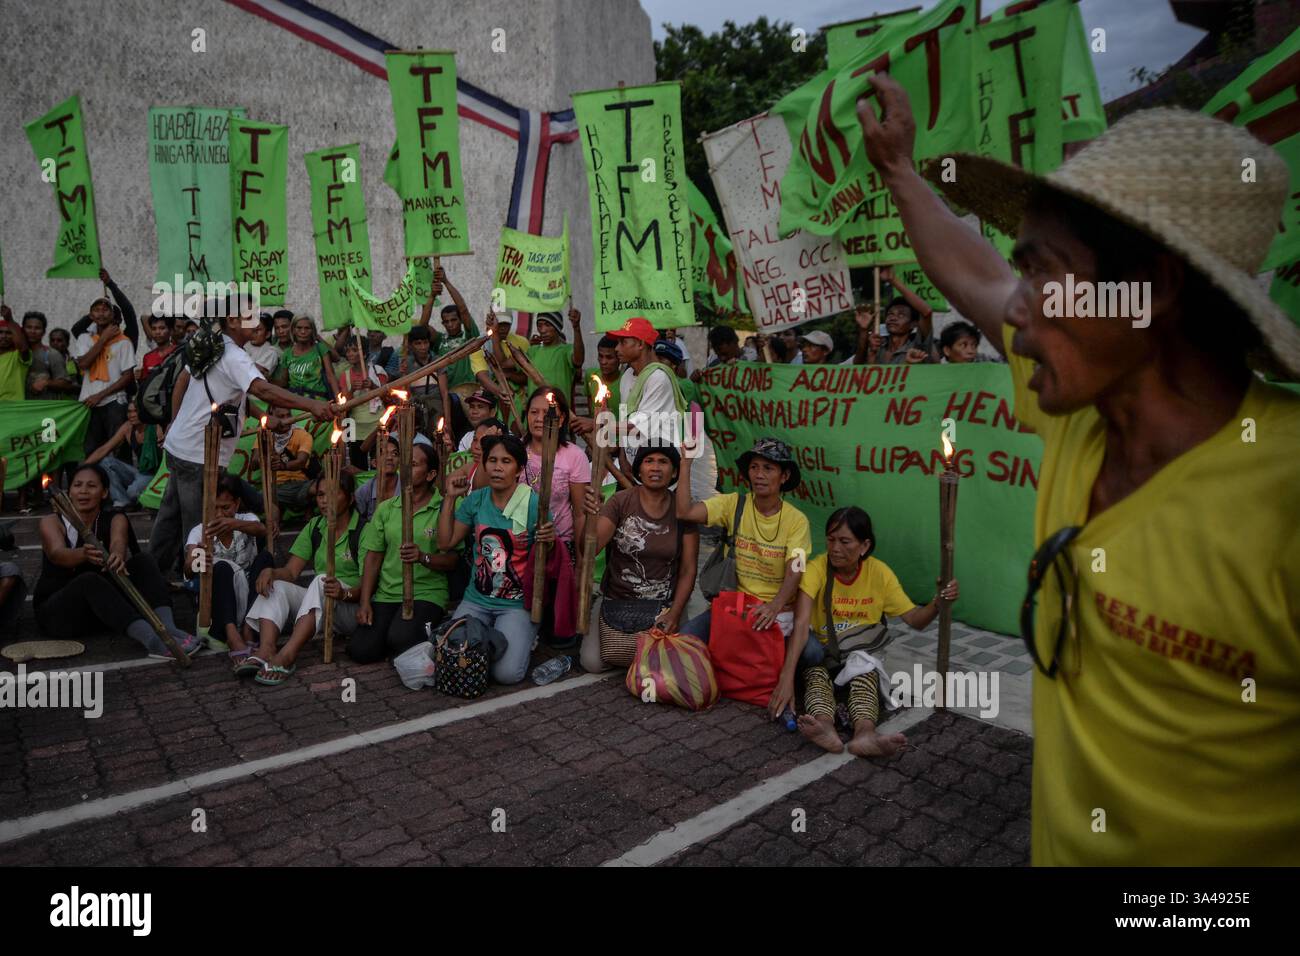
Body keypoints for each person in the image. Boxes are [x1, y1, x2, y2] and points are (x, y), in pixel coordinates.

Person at [860, 73, 1300, 863]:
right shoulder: (1083, 407)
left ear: (1151, 292)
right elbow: (974, 276)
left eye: (1044, 274)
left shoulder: (1283, 496)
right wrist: (899, 171)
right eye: (1022, 273)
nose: (1014, 307)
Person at [149, 297, 332, 576]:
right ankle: (199, 588)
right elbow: (263, 390)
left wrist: (263, 417)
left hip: (185, 447)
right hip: (198, 453)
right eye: (250, 314)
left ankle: (152, 575)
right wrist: (312, 405)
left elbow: (235, 395)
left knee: (171, 516)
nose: (257, 319)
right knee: (198, 525)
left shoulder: (213, 344)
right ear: (233, 320)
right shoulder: (233, 355)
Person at [773, 506, 958, 757]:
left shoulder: (880, 574)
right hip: (826, 658)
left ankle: (865, 735)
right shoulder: (816, 569)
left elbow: (916, 619)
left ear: (864, 545)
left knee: (866, 675)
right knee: (815, 675)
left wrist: (938, 603)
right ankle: (825, 728)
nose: (835, 548)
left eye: (845, 541)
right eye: (831, 540)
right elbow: (801, 624)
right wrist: (786, 679)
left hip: (858, 659)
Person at [34, 463, 201, 657]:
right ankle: (154, 641)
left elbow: (118, 544)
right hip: (60, 614)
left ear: (104, 492)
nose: (83, 491)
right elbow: (57, 554)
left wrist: (116, 556)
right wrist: (83, 554)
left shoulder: (115, 517)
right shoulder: (51, 522)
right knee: (89, 580)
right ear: (69, 491)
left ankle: (169, 629)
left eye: (91, 486)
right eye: (77, 485)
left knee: (143, 561)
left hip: (103, 612)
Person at [439, 434, 555, 684]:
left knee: (507, 675)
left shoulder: (534, 504)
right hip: (476, 600)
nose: (497, 467)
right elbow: (445, 543)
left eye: (506, 461)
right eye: (492, 460)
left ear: (519, 469)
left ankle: (521, 635)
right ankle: (492, 641)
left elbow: (548, 557)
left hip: (516, 604)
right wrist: (449, 497)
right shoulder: (476, 500)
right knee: (453, 657)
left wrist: (549, 536)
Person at [675, 437, 811, 643]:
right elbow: (685, 512)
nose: (759, 475)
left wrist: (774, 606)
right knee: (686, 638)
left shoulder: (797, 521)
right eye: (754, 467)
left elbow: (797, 566)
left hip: (775, 609)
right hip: (733, 605)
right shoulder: (733, 504)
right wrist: (686, 464)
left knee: (812, 652)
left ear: (784, 476)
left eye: (768, 468)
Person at [579, 444, 698, 673]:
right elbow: (589, 549)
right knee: (592, 662)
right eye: (649, 461)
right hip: (617, 600)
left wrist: (674, 613)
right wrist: (590, 516)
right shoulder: (620, 502)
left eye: (663, 462)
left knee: (679, 663)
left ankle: (638, 654)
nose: (655, 467)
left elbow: (688, 570)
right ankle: (639, 654)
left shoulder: (682, 509)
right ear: (639, 471)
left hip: (663, 604)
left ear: (674, 472)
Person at [240, 474, 364, 685]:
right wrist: (271, 572)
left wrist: (343, 593)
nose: (324, 500)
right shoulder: (316, 525)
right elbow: (290, 572)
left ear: (350, 498)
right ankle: (266, 649)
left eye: (333, 494)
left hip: (350, 608)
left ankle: (287, 655)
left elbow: (368, 585)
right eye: (321, 494)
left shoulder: (364, 529)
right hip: (321, 606)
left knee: (321, 580)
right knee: (277, 586)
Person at [352, 441, 459, 663]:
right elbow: (373, 558)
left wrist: (423, 557)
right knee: (361, 650)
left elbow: (452, 560)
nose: (406, 469)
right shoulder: (387, 508)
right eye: (405, 464)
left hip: (426, 593)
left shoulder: (442, 507)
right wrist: (365, 602)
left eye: (413, 464)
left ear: (430, 474)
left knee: (401, 639)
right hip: (387, 593)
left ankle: (431, 627)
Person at [614, 316, 717, 502]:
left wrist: (599, 425)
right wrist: (623, 458)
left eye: (623, 342)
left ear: (639, 344)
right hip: (633, 464)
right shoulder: (627, 375)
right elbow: (626, 419)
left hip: (658, 470)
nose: (617, 348)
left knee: (662, 521)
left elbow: (639, 425)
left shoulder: (659, 378)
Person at [184, 473, 270, 651]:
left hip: (252, 596)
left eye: (225, 507)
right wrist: (198, 559)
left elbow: (261, 530)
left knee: (266, 558)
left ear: (237, 504)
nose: (219, 514)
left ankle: (248, 628)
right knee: (222, 567)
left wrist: (233, 523)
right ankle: (231, 634)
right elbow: (188, 569)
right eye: (213, 508)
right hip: (223, 601)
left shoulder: (246, 520)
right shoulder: (199, 532)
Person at [71, 294, 135, 460]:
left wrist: (100, 395)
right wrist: (104, 338)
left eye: (106, 310)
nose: (101, 314)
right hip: (87, 403)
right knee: (90, 449)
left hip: (114, 402)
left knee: (119, 449)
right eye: (97, 310)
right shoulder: (85, 338)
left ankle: (119, 486)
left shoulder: (124, 341)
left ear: (113, 315)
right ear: (91, 316)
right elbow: (84, 363)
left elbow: (128, 377)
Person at [83, 401, 160, 508]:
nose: (132, 415)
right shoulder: (128, 427)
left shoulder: (155, 426)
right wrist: (83, 467)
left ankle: (130, 497)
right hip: (140, 472)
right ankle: (123, 501)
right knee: (106, 462)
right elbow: (105, 448)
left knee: (132, 492)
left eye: (135, 411)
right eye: (129, 412)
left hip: (156, 475)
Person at [336, 337, 388, 470]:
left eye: (354, 350)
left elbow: (388, 397)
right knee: (357, 462)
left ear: (364, 353)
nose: (350, 354)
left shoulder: (378, 371)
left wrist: (373, 386)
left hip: (377, 422)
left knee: (379, 461)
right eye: (347, 351)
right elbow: (343, 405)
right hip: (354, 425)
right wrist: (352, 390)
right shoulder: (345, 376)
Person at [253, 403, 316, 514]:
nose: (286, 420)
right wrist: (266, 457)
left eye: (288, 415)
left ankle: (311, 520)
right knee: (256, 499)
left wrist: (283, 465)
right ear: (272, 418)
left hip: (301, 485)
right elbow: (254, 464)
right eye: (281, 417)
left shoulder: (303, 435)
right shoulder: (263, 437)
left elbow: (301, 462)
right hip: (275, 487)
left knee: (321, 487)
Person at [471, 310, 531, 409]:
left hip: (520, 401)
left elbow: (526, 376)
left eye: (506, 324)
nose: (502, 328)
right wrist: (503, 393)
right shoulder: (479, 344)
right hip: (492, 399)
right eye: (499, 324)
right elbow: (482, 376)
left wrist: (510, 376)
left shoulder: (522, 342)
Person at [527, 309, 585, 404]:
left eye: (548, 325)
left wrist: (576, 328)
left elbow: (578, 361)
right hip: (535, 414)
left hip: (559, 413)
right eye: (539, 325)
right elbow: (505, 363)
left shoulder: (566, 350)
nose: (543, 330)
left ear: (557, 327)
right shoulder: (532, 351)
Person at [277, 315, 339, 399]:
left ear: (313, 331)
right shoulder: (287, 354)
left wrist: (339, 398)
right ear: (293, 330)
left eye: (307, 328)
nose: (303, 332)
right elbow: (283, 382)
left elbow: (330, 375)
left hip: (318, 399)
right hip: (294, 401)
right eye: (299, 328)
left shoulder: (320, 348)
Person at [861, 298, 932, 365]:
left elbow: (926, 312)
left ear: (913, 324)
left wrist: (897, 284)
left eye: (901, 315)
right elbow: (857, 364)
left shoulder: (918, 348)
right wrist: (864, 330)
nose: (893, 318)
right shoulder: (876, 345)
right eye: (890, 314)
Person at [22, 311, 75, 398]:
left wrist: (46, 382)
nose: (33, 331)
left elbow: (65, 383)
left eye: (37, 328)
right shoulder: (15, 354)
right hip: (17, 408)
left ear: (43, 332)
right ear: (22, 329)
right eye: (29, 327)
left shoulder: (52, 354)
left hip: (44, 409)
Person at [0, 308, 32, 402]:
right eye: (0, 332)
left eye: (8, 333)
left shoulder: (18, 355)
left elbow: (23, 347)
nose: (3, 336)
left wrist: (10, 320)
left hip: (13, 409)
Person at [138, 314, 176, 378]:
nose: (157, 332)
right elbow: (146, 383)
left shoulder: (178, 352)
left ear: (171, 331)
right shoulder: (147, 357)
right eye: (154, 329)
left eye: (162, 328)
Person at [245, 313, 281, 377]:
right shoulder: (243, 345)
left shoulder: (272, 352)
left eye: (258, 330)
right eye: (252, 328)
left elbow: (255, 374)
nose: (253, 332)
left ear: (267, 334)